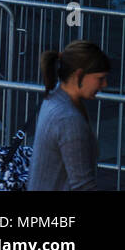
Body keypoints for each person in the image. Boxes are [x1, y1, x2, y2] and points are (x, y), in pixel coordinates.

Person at [28, 41, 111, 191]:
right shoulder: (68, 119)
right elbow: (83, 186)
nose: (104, 84)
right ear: (79, 74)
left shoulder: (56, 98)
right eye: (100, 78)